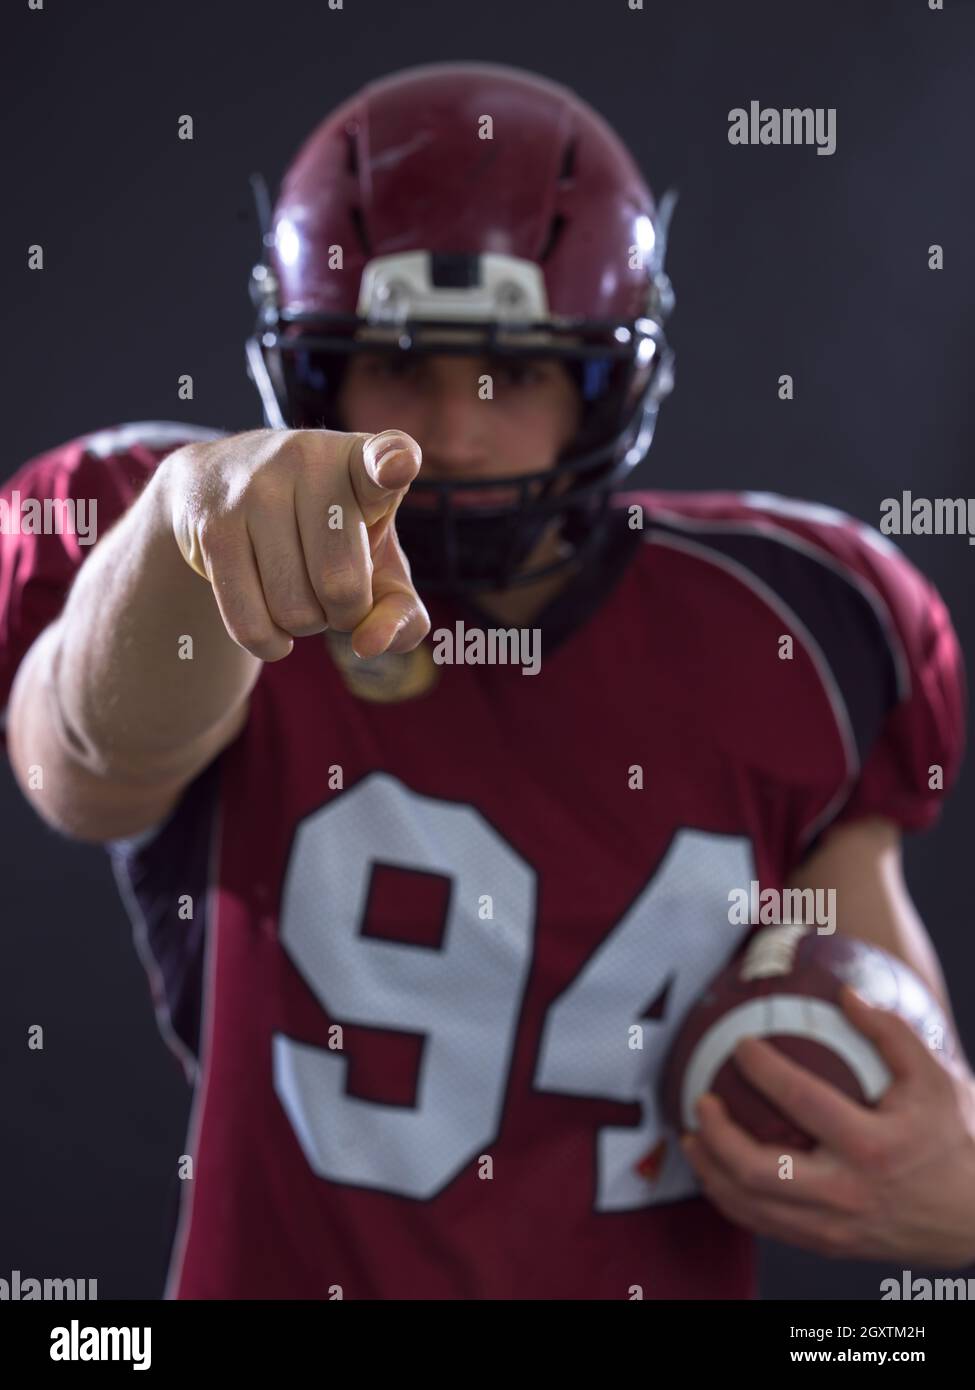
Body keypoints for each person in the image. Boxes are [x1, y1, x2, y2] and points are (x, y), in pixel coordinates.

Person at [1, 60, 972, 1300]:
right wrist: (183, 539)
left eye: (512, 375)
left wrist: (963, 1195)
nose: (453, 435)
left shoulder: (799, 622)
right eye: (400, 367)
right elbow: (80, 768)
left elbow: (877, 1033)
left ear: (605, 384)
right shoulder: (189, 547)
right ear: (312, 378)